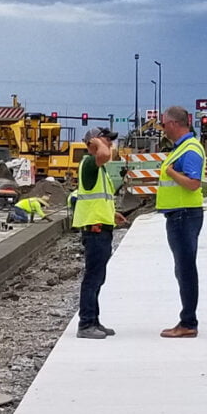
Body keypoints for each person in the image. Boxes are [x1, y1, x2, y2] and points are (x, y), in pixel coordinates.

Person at [155, 105, 206, 338]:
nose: (163, 129)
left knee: (185, 269)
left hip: (184, 215)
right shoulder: (180, 148)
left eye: (164, 125)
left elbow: (194, 183)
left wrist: (172, 172)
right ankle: (187, 320)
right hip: (179, 215)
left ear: (174, 124)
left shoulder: (191, 149)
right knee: (182, 268)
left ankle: (188, 322)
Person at [70, 128, 121, 339]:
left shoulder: (100, 170)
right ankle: (86, 323)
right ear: (92, 143)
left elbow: (99, 199)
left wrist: (113, 214)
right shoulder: (91, 163)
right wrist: (98, 144)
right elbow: (104, 155)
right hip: (95, 230)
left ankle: (94, 320)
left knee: (98, 277)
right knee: (92, 278)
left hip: (101, 228)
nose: (109, 144)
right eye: (106, 140)